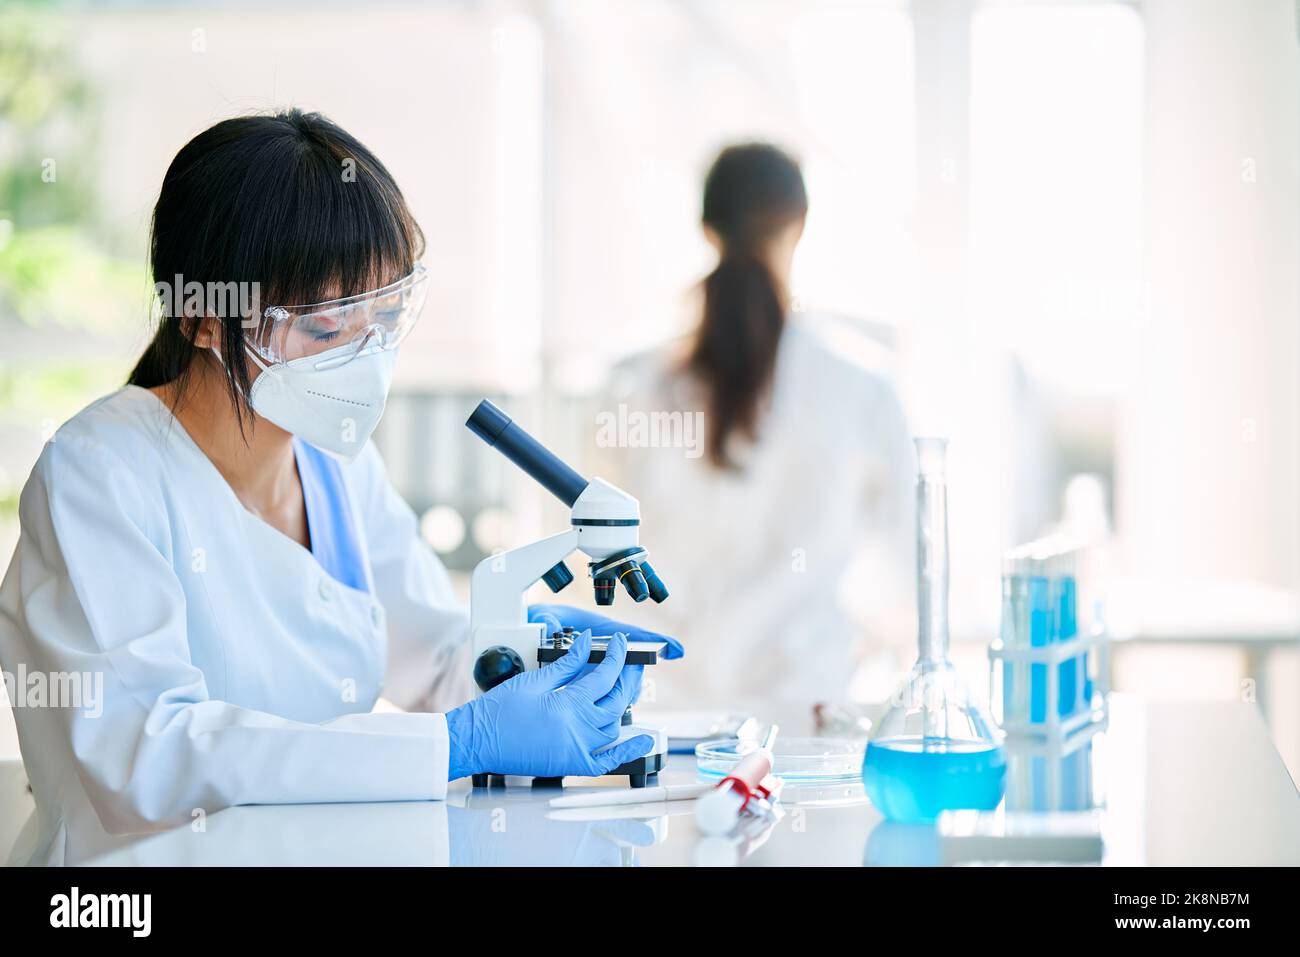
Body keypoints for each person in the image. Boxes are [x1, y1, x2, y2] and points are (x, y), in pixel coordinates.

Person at [0, 110, 679, 866]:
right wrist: (454, 746)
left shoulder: (333, 464)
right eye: (325, 328)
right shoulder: (101, 473)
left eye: (384, 314)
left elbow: (435, 658)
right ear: (201, 315)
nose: (365, 355)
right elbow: (149, 756)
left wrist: (532, 653)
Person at [593, 143, 914, 713]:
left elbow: (585, 558)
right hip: (803, 712)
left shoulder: (628, 386)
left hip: (656, 718)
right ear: (801, 223)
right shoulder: (861, 389)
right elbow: (903, 570)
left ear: (706, 228)